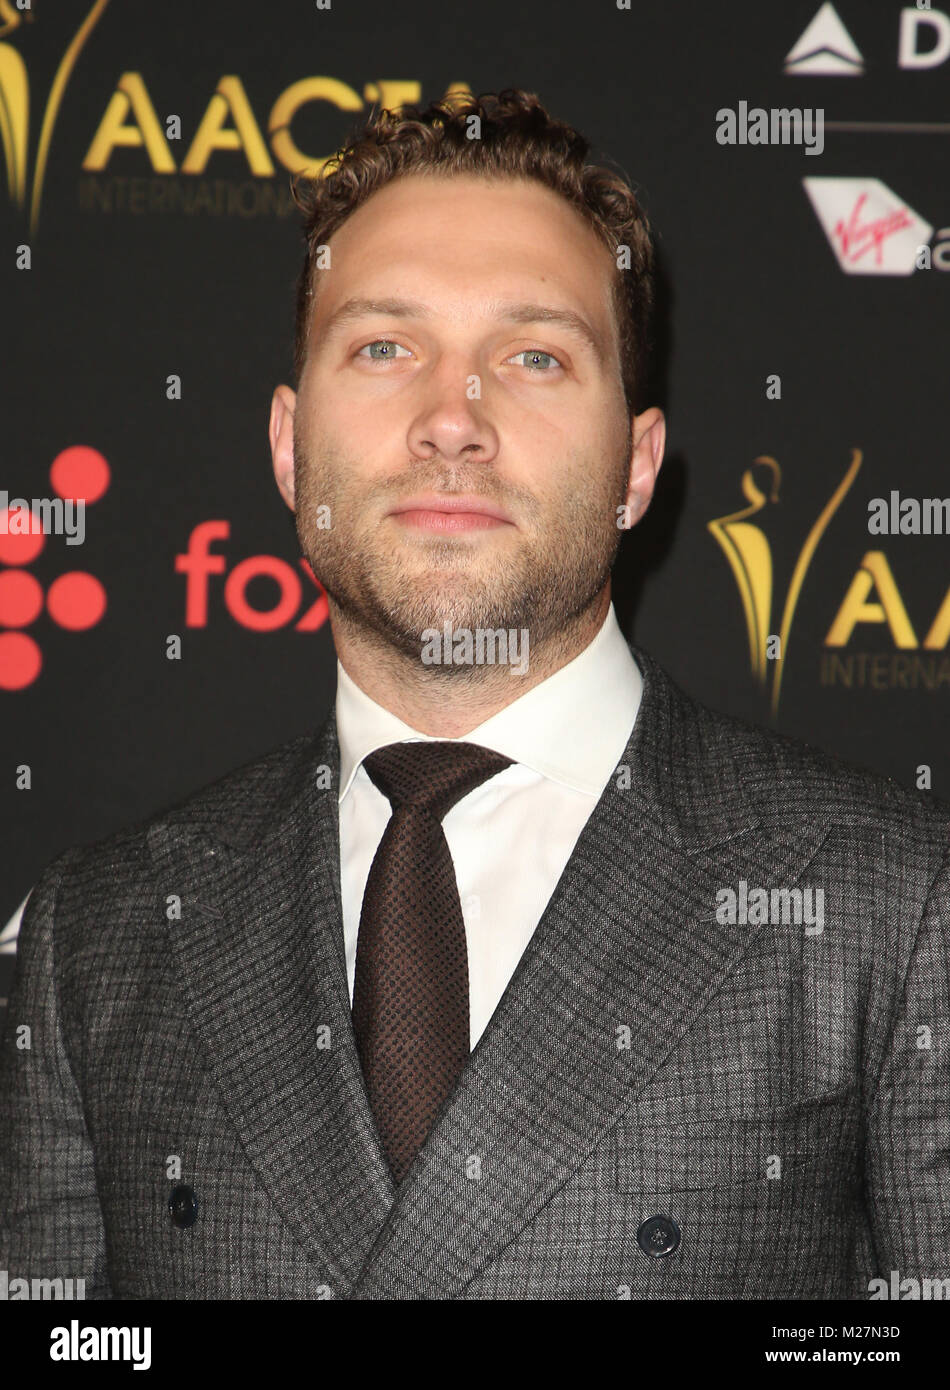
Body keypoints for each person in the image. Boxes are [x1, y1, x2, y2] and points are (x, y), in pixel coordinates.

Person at [1, 89, 948, 1301]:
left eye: (534, 356)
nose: (452, 419)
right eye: (385, 346)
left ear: (635, 465)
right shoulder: (104, 929)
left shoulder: (891, 898)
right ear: (290, 449)